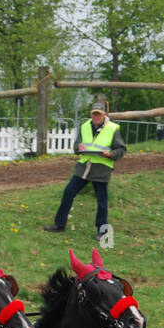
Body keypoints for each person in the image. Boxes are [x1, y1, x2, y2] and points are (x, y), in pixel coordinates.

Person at [44, 97, 127, 239]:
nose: (96, 116)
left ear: (104, 115)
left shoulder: (113, 129)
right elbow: (76, 146)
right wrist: (78, 147)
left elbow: (121, 149)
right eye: (94, 113)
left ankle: (103, 231)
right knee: (68, 193)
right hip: (84, 167)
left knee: (102, 201)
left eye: (99, 114)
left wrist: (110, 154)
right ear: (91, 114)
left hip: (101, 168)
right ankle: (59, 225)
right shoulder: (84, 126)